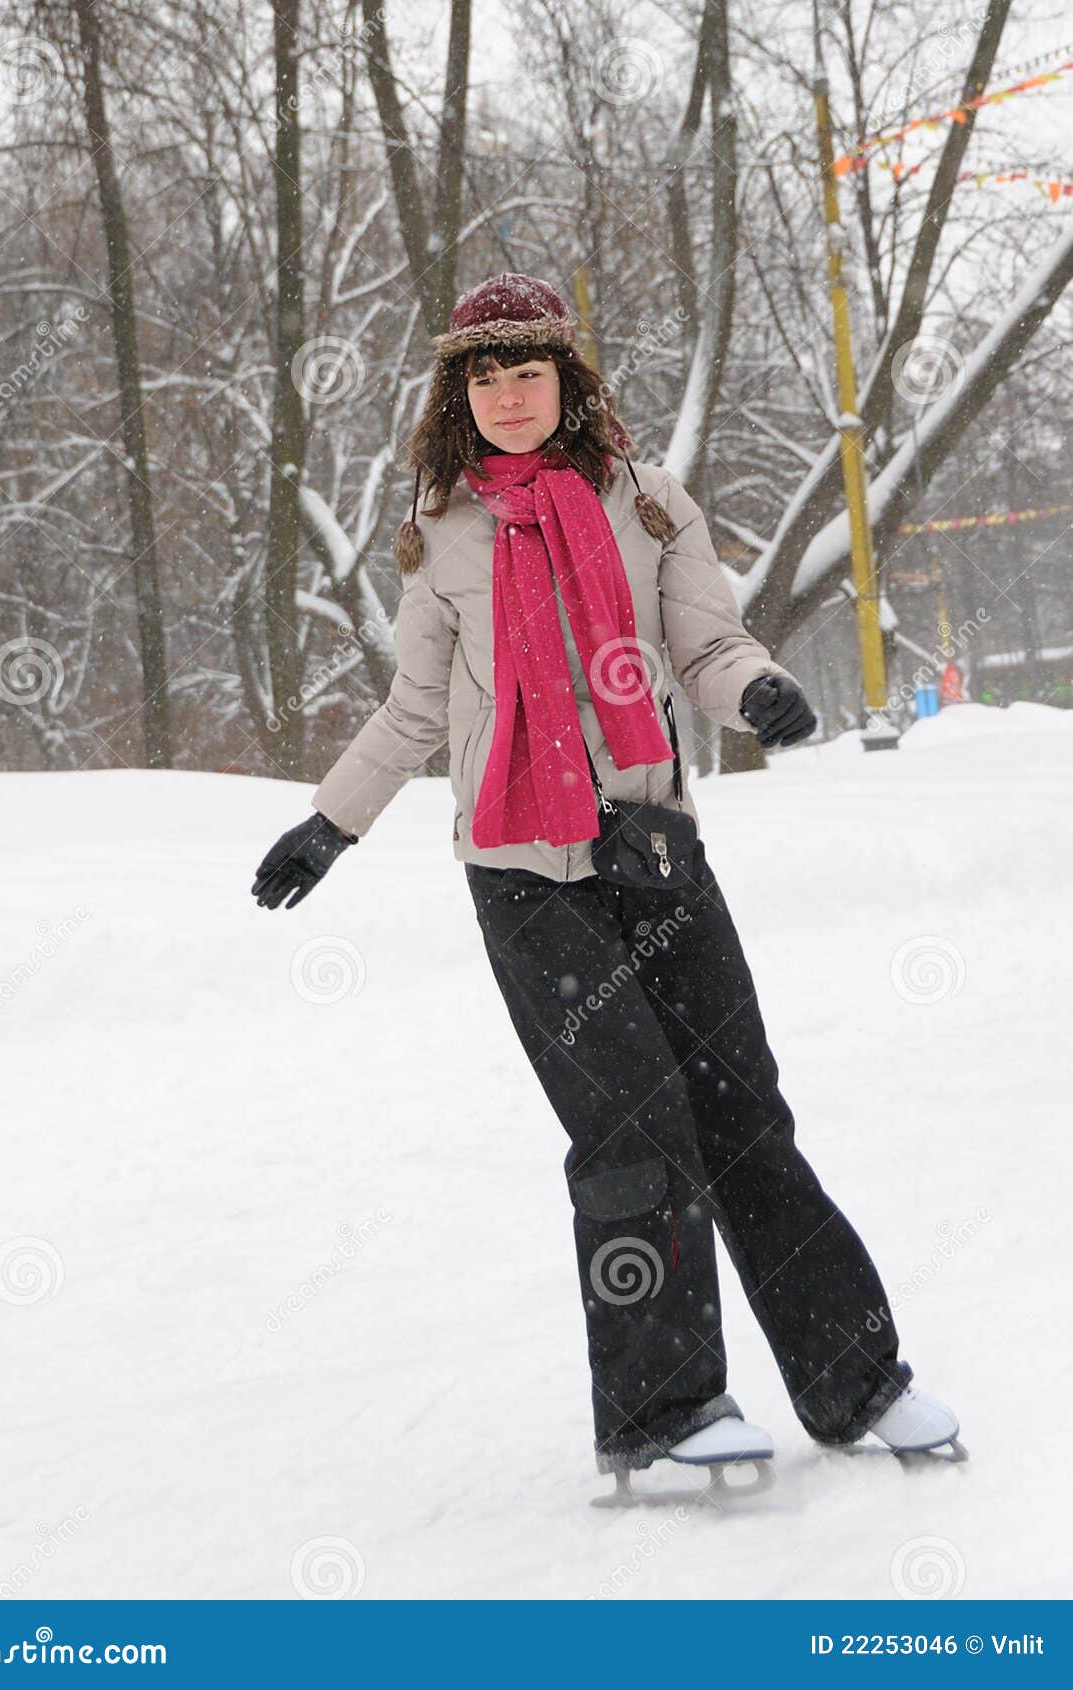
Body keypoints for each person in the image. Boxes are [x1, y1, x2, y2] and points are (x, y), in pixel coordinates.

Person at [252, 273, 959, 1480]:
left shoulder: (646, 502)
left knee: (741, 1112)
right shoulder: (441, 530)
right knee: (631, 1122)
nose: (506, 395)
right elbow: (416, 705)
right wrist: (331, 823)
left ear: (564, 380)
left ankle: (856, 1378)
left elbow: (705, 642)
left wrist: (755, 689)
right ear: (459, 395)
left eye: (526, 372)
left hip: (650, 845)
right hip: (522, 872)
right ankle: (663, 1409)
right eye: (484, 377)